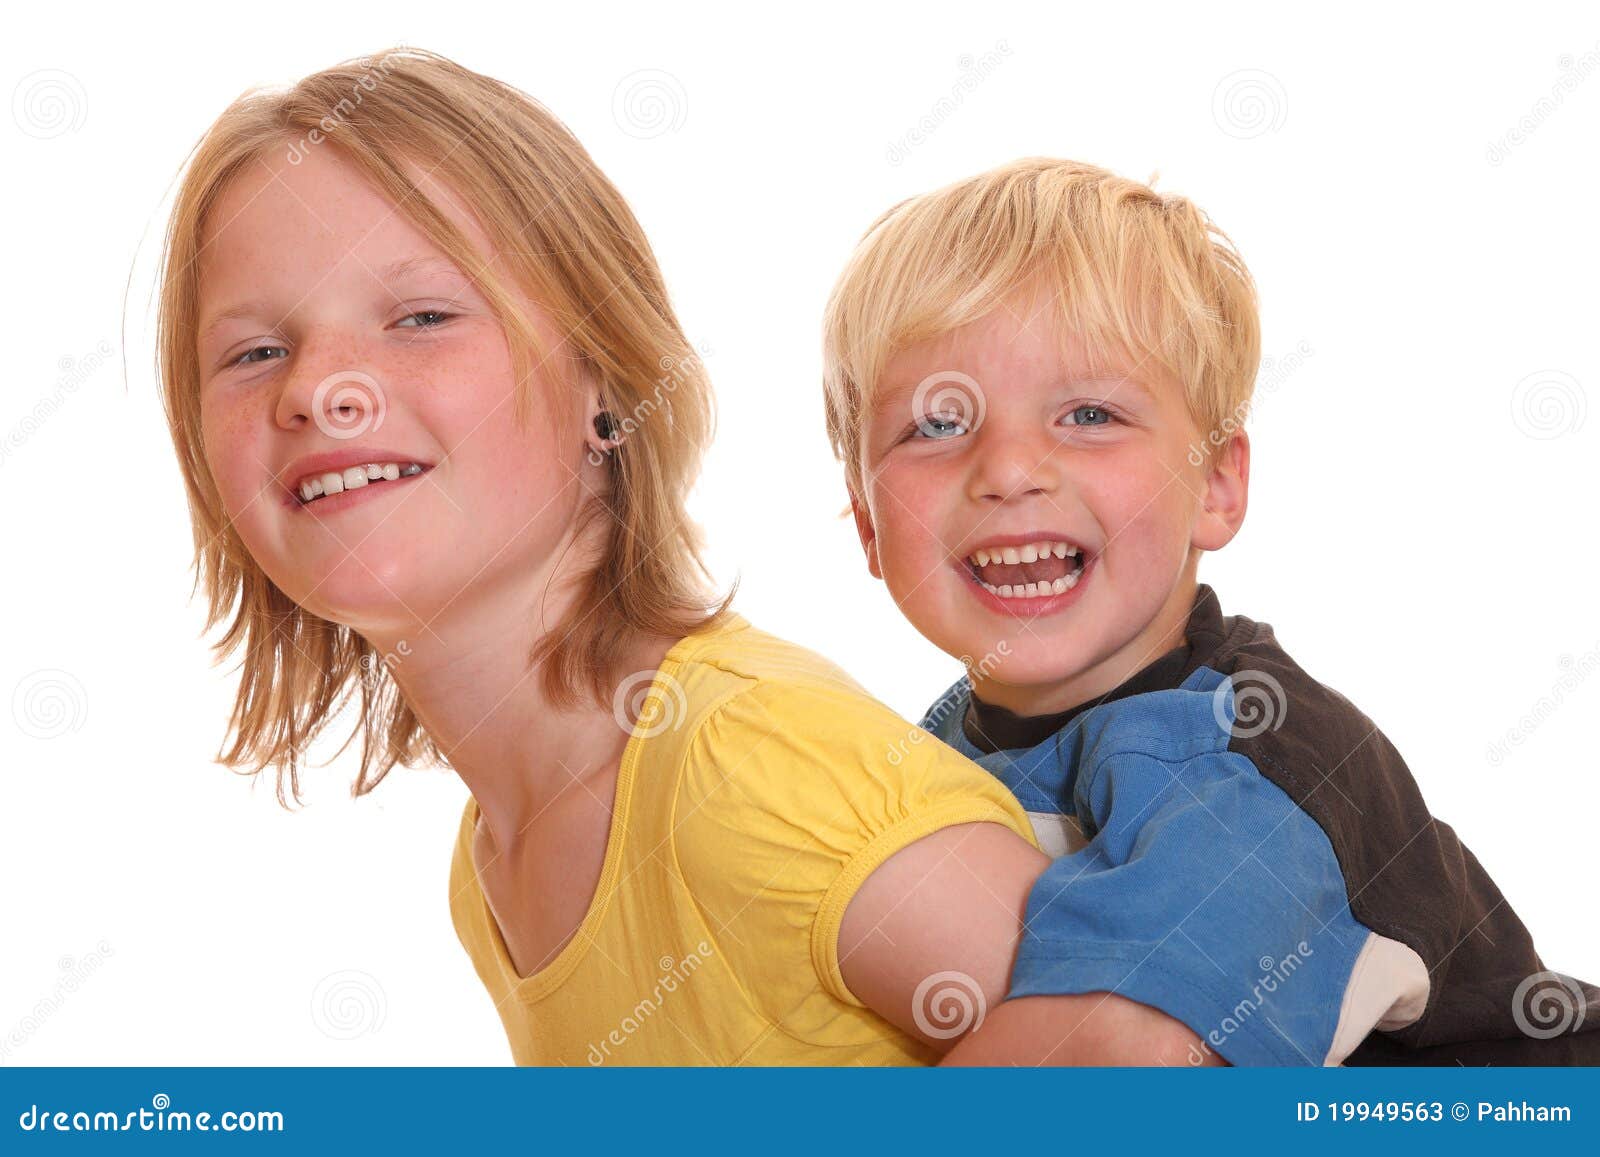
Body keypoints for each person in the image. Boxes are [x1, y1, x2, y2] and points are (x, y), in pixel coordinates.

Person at [156, 50, 1204, 1065]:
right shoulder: (490, 868)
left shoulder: (748, 767)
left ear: (605, 381)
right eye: (254, 352)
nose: (318, 387)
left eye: (421, 316)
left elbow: (1148, 1060)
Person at [822, 157, 1600, 1064]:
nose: (1007, 470)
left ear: (1218, 484)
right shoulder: (935, 751)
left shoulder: (1235, 757)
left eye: (1087, 414)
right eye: (940, 424)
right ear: (869, 521)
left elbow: (1105, 1054)